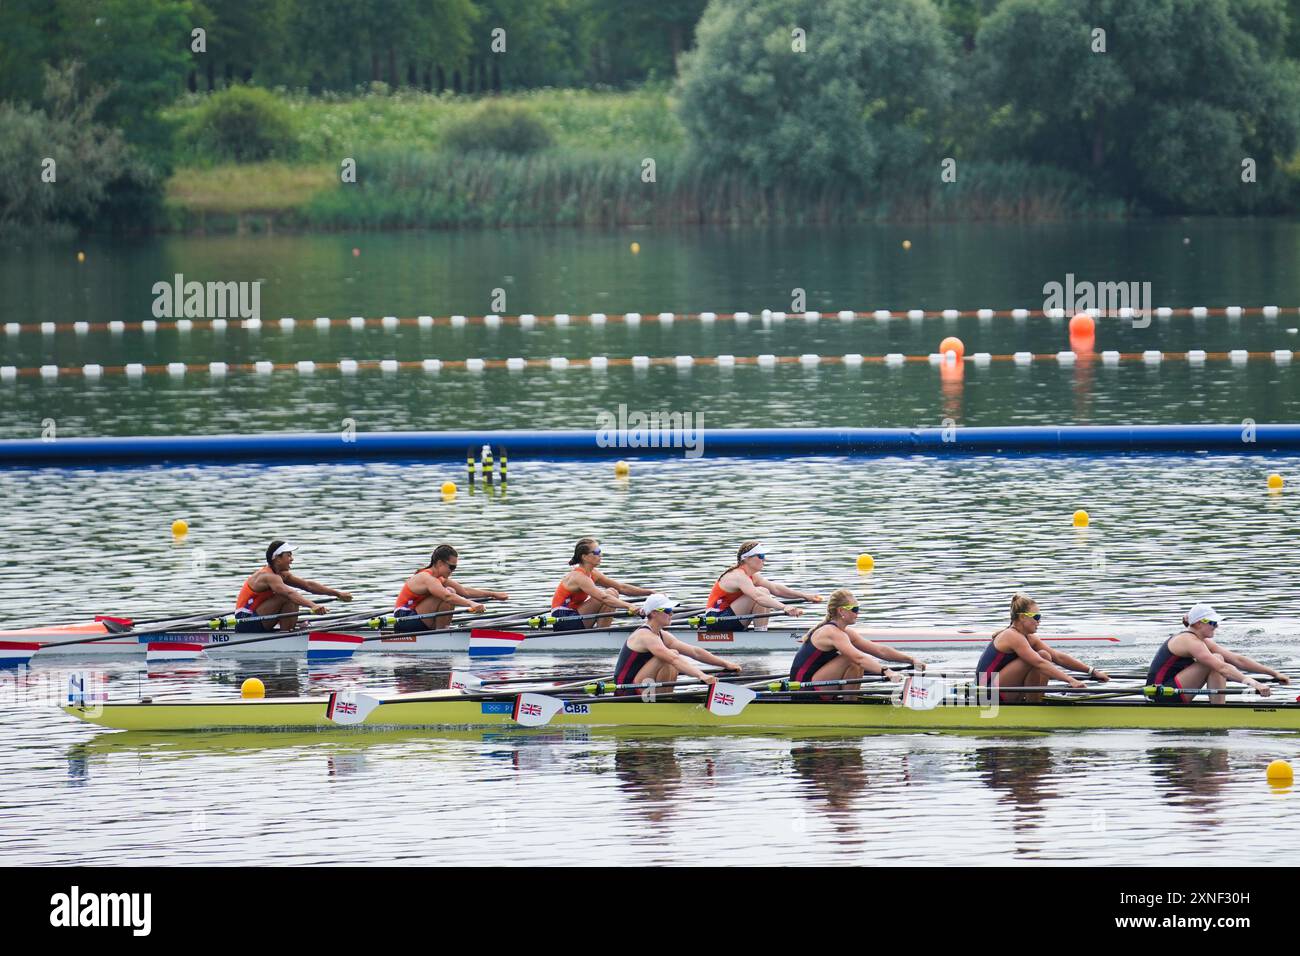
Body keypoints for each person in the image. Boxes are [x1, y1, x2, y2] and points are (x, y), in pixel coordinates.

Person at [975, 593, 1108, 702]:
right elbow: (1039, 663)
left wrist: (1092, 671)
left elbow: (1058, 657)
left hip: (999, 689)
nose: (1039, 621)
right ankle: (1035, 705)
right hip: (985, 694)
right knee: (1040, 657)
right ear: (1022, 617)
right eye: (1036, 617)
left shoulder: (1029, 637)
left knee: (1045, 654)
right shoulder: (1011, 635)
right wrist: (1071, 680)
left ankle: (1036, 702)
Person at [1145, 604, 1286, 704]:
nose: (1217, 626)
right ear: (1199, 623)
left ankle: (1218, 708)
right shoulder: (1189, 640)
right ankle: (1218, 710)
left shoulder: (1200, 640)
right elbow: (1223, 668)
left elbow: (1238, 660)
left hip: (1173, 690)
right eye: (1213, 623)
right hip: (1160, 694)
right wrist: (1255, 684)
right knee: (1217, 661)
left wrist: (1274, 673)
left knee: (1219, 659)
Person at [612, 594, 741, 694]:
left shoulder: (662, 635)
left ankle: (664, 700)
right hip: (627, 690)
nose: (671, 614)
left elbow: (695, 652)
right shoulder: (645, 636)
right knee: (671, 655)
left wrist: (725, 664)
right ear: (654, 613)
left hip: (644, 686)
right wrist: (701, 676)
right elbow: (673, 658)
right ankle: (660, 703)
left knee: (672, 657)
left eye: (671, 610)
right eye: (667, 610)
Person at [789, 589, 922, 684]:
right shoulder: (830, 632)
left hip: (819, 682)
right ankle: (851, 706)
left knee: (857, 663)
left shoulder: (846, 633)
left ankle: (852, 702)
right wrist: (886, 671)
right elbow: (858, 657)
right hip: (802, 687)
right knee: (852, 658)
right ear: (841, 611)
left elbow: (879, 650)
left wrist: (912, 660)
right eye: (854, 609)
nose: (857, 613)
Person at [234, 541, 352, 632]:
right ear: (277, 558)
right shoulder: (267, 576)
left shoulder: (281, 574)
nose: (292, 559)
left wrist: (338, 594)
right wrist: (313, 606)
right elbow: (289, 594)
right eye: (288, 555)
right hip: (246, 621)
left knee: (292, 598)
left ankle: (287, 631)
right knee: (286, 597)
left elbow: (308, 585)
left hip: (260, 618)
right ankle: (287, 635)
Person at [704, 541, 823, 631]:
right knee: (762, 592)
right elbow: (757, 596)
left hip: (731, 619)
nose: (764, 559)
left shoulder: (752, 576)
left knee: (765, 590)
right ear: (746, 559)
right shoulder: (738, 576)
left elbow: (776, 589)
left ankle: (761, 633)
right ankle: (761, 636)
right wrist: (784, 608)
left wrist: (805, 596)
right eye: (760, 556)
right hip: (716, 620)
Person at [393, 544, 509, 633]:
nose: (453, 571)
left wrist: (493, 594)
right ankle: (441, 632)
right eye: (451, 567)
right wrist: (471, 604)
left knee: (452, 591)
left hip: (419, 618)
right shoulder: (426, 577)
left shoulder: (439, 578)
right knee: (449, 592)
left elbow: (465, 591)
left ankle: (442, 629)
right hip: (404, 620)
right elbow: (447, 597)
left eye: (455, 567)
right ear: (439, 563)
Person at [550, 538, 651, 631]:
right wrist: (630, 606)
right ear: (584, 557)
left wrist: (650, 592)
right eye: (596, 552)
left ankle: (603, 631)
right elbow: (604, 598)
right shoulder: (578, 577)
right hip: (562, 620)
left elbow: (622, 587)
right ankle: (603, 633)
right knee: (610, 594)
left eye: (600, 551)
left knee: (613, 591)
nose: (600, 555)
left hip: (575, 616)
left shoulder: (593, 573)